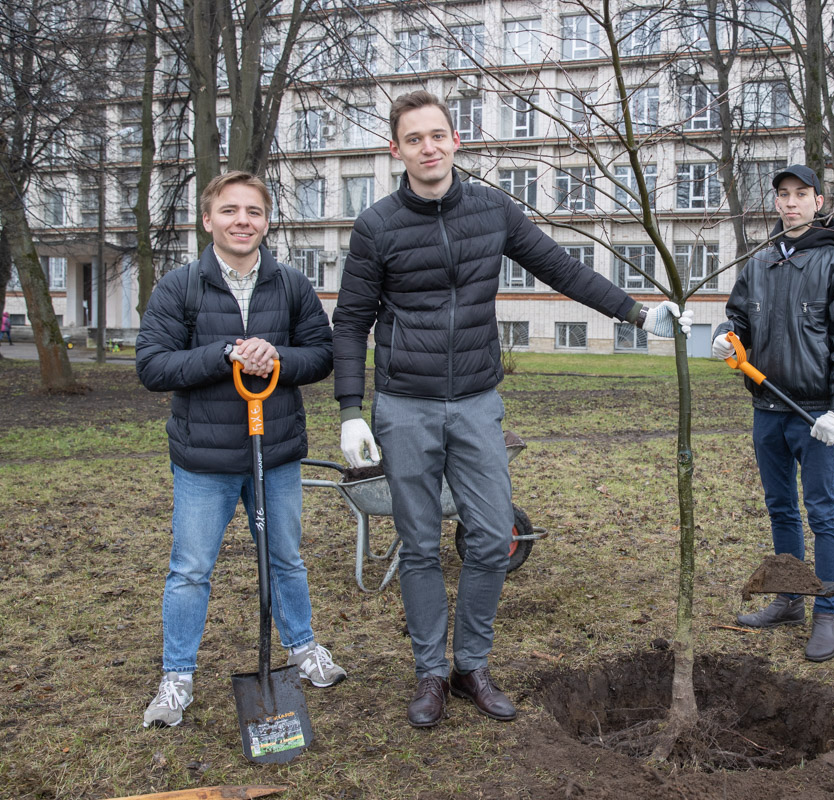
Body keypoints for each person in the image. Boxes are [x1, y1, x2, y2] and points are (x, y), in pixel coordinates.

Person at [332, 90, 692, 728]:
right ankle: (429, 675)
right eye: (414, 139)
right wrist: (351, 410)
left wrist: (637, 314)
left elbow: (560, 268)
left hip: (475, 402)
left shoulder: (492, 210)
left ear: (456, 141)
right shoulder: (377, 226)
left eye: (437, 135)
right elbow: (352, 320)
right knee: (417, 546)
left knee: (494, 534)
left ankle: (471, 665)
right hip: (405, 407)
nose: (428, 147)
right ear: (396, 151)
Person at [135, 171, 346, 729]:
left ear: (266, 220)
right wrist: (226, 353)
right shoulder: (179, 287)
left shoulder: (292, 285)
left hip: (273, 452)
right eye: (229, 211)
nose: (241, 221)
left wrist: (273, 357)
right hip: (203, 460)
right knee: (190, 568)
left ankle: (303, 650)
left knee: (286, 559)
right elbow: (152, 366)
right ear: (208, 220)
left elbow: (320, 355)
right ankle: (177, 675)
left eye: (252, 212)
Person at [712, 164, 834, 662]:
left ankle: (826, 611)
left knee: (822, 510)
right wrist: (727, 335)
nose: (790, 202)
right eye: (783, 194)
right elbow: (739, 317)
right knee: (780, 506)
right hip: (768, 406)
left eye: (801, 194)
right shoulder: (760, 265)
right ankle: (788, 599)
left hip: (817, 414)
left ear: (819, 203)